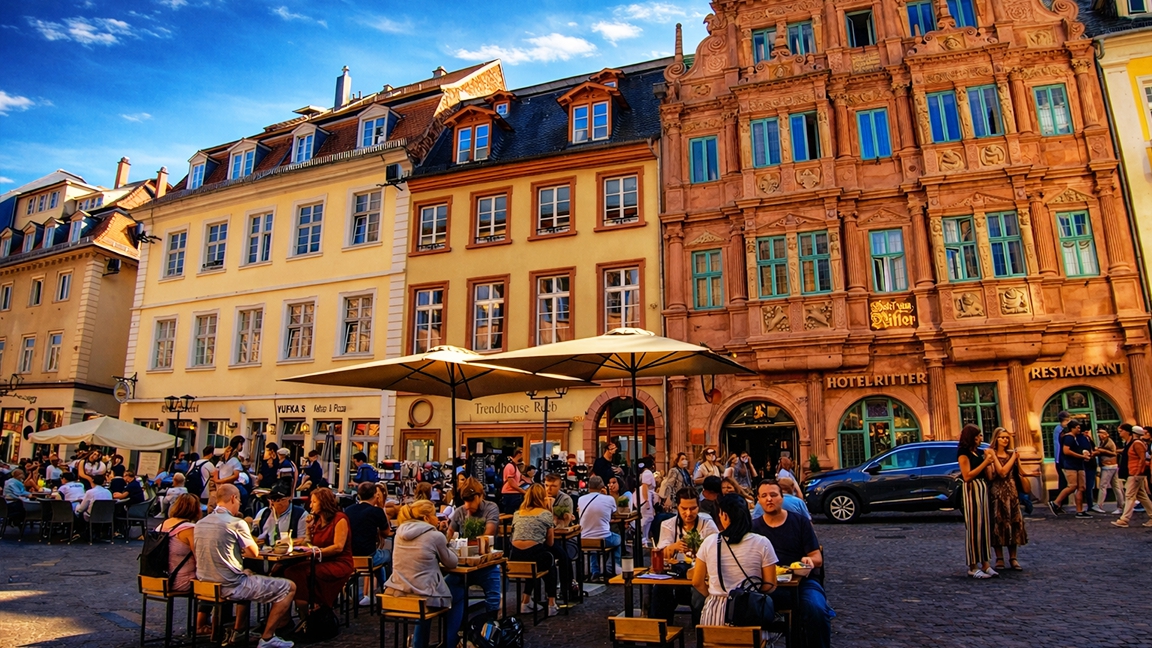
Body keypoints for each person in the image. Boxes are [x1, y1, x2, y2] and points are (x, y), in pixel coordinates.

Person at [194, 484, 296, 648]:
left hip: (204, 584)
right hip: (230, 585)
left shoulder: (200, 523)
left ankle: (240, 630)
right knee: (289, 586)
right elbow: (253, 553)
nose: (240, 504)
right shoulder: (236, 523)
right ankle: (268, 637)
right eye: (239, 501)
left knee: (247, 574)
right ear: (233, 498)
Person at [753, 480, 834, 648]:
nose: (769, 499)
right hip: (768, 585)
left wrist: (807, 561)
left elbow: (817, 558)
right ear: (758, 500)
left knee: (816, 609)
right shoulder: (754, 528)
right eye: (764, 496)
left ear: (782, 498)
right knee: (744, 609)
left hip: (802, 582)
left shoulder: (799, 522)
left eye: (773, 495)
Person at [383, 500, 465, 648]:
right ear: (427, 518)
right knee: (459, 592)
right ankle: (449, 642)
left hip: (398, 592)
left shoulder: (399, 533)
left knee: (424, 588)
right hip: (423, 596)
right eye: (434, 514)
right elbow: (452, 563)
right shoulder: (434, 536)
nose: (437, 518)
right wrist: (444, 537)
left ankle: (419, 644)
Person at [693, 493, 778, 626]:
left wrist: (713, 595)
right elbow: (770, 585)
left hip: (714, 615)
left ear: (724, 515)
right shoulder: (762, 543)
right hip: (750, 610)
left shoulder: (709, 542)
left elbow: (697, 582)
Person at [282, 488, 354, 616]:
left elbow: (338, 547)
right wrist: (308, 531)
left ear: (324, 502)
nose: (310, 505)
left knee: (299, 572)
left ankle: (306, 607)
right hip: (319, 560)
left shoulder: (340, 518)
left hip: (339, 562)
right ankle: (299, 608)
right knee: (285, 570)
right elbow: (310, 543)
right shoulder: (317, 520)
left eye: (314, 502)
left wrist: (316, 552)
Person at [651, 487, 717, 625]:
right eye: (684, 509)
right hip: (675, 575)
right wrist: (673, 547)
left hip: (699, 576)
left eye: (693, 508)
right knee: (659, 591)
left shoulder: (708, 524)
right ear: (677, 507)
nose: (688, 513)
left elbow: (716, 551)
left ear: (699, 507)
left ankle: (701, 632)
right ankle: (661, 634)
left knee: (700, 596)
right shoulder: (668, 525)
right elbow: (661, 553)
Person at [444, 478, 502, 621]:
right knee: (446, 585)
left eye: (471, 500)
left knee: (494, 593)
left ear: (481, 496)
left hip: (485, 564)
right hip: (463, 566)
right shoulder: (459, 512)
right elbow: (448, 536)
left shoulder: (491, 508)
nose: (467, 504)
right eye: (465, 500)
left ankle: (490, 624)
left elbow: (489, 534)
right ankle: (456, 623)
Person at [158, 493, 212, 634]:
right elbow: (200, 557)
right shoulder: (189, 528)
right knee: (215, 580)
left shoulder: (163, 524)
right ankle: (204, 625)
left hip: (158, 579)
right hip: (180, 581)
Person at [510, 483, 558, 616]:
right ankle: (551, 603)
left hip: (515, 557)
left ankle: (526, 601)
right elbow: (550, 542)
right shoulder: (545, 514)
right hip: (534, 557)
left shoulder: (517, 513)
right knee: (549, 561)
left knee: (532, 562)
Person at [957, 424, 996, 578]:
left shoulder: (978, 452)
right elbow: (967, 475)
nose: (981, 438)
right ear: (972, 437)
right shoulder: (963, 453)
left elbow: (989, 476)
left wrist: (988, 461)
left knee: (985, 526)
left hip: (982, 487)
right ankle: (973, 565)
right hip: (971, 489)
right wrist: (985, 462)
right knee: (974, 526)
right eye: (979, 436)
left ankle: (986, 563)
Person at [345, 482, 393, 606]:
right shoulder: (376, 511)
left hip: (351, 556)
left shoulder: (348, 510)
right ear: (374, 494)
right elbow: (386, 533)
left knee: (378, 562)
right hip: (369, 556)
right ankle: (386, 590)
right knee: (387, 555)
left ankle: (368, 594)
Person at [987, 428, 1027, 572]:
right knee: (998, 523)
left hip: (1012, 491)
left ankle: (1013, 557)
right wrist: (1013, 458)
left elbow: (1020, 472)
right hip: (997, 492)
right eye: (1002, 437)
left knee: (1013, 522)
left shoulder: (1012, 455)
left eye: (1007, 437)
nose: (1005, 440)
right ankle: (999, 558)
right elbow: (1002, 472)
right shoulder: (992, 454)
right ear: (996, 439)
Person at [577, 476, 620, 581]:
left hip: (584, 539)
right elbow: (615, 513)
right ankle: (613, 566)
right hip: (603, 539)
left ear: (589, 487)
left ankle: (595, 570)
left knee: (593, 544)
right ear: (602, 487)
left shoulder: (581, 499)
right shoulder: (609, 499)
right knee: (618, 539)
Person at [1112, 424, 1152, 528]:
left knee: (1129, 495)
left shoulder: (1137, 443)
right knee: (1142, 496)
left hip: (1135, 473)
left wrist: (1138, 472)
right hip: (1133, 473)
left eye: (1121, 431)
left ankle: (1124, 519)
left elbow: (1142, 459)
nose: (1120, 433)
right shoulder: (1131, 443)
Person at [1050, 419, 1092, 518]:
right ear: (1072, 428)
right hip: (1071, 465)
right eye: (1077, 427)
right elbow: (1066, 451)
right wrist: (1081, 456)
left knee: (1081, 487)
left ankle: (1080, 511)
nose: (1079, 429)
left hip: (1079, 465)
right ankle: (1056, 503)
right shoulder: (1068, 438)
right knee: (1072, 486)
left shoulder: (1076, 438)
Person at [1093, 428, 1122, 514]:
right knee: (1116, 487)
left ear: (1107, 434)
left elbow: (1114, 453)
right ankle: (1121, 505)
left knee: (1103, 486)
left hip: (1109, 466)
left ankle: (1099, 505)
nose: (1100, 435)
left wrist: (1101, 450)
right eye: (1099, 433)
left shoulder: (1109, 442)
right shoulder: (1103, 442)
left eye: (1102, 433)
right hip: (1111, 466)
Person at [500, 448, 529, 514]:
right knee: (510, 514)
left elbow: (517, 481)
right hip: (510, 494)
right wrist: (523, 491)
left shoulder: (516, 466)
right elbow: (511, 483)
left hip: (515, 493)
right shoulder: (510, 466)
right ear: (519, 454)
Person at [637, 456, 657, 543]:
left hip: (646, 496)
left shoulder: (644, 473)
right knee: (648, 517)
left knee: (647, 517)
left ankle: (645, 536)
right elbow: (645, 486)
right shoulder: (647, 473)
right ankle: (644, 537)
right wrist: (646, 500)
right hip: (647, 496)